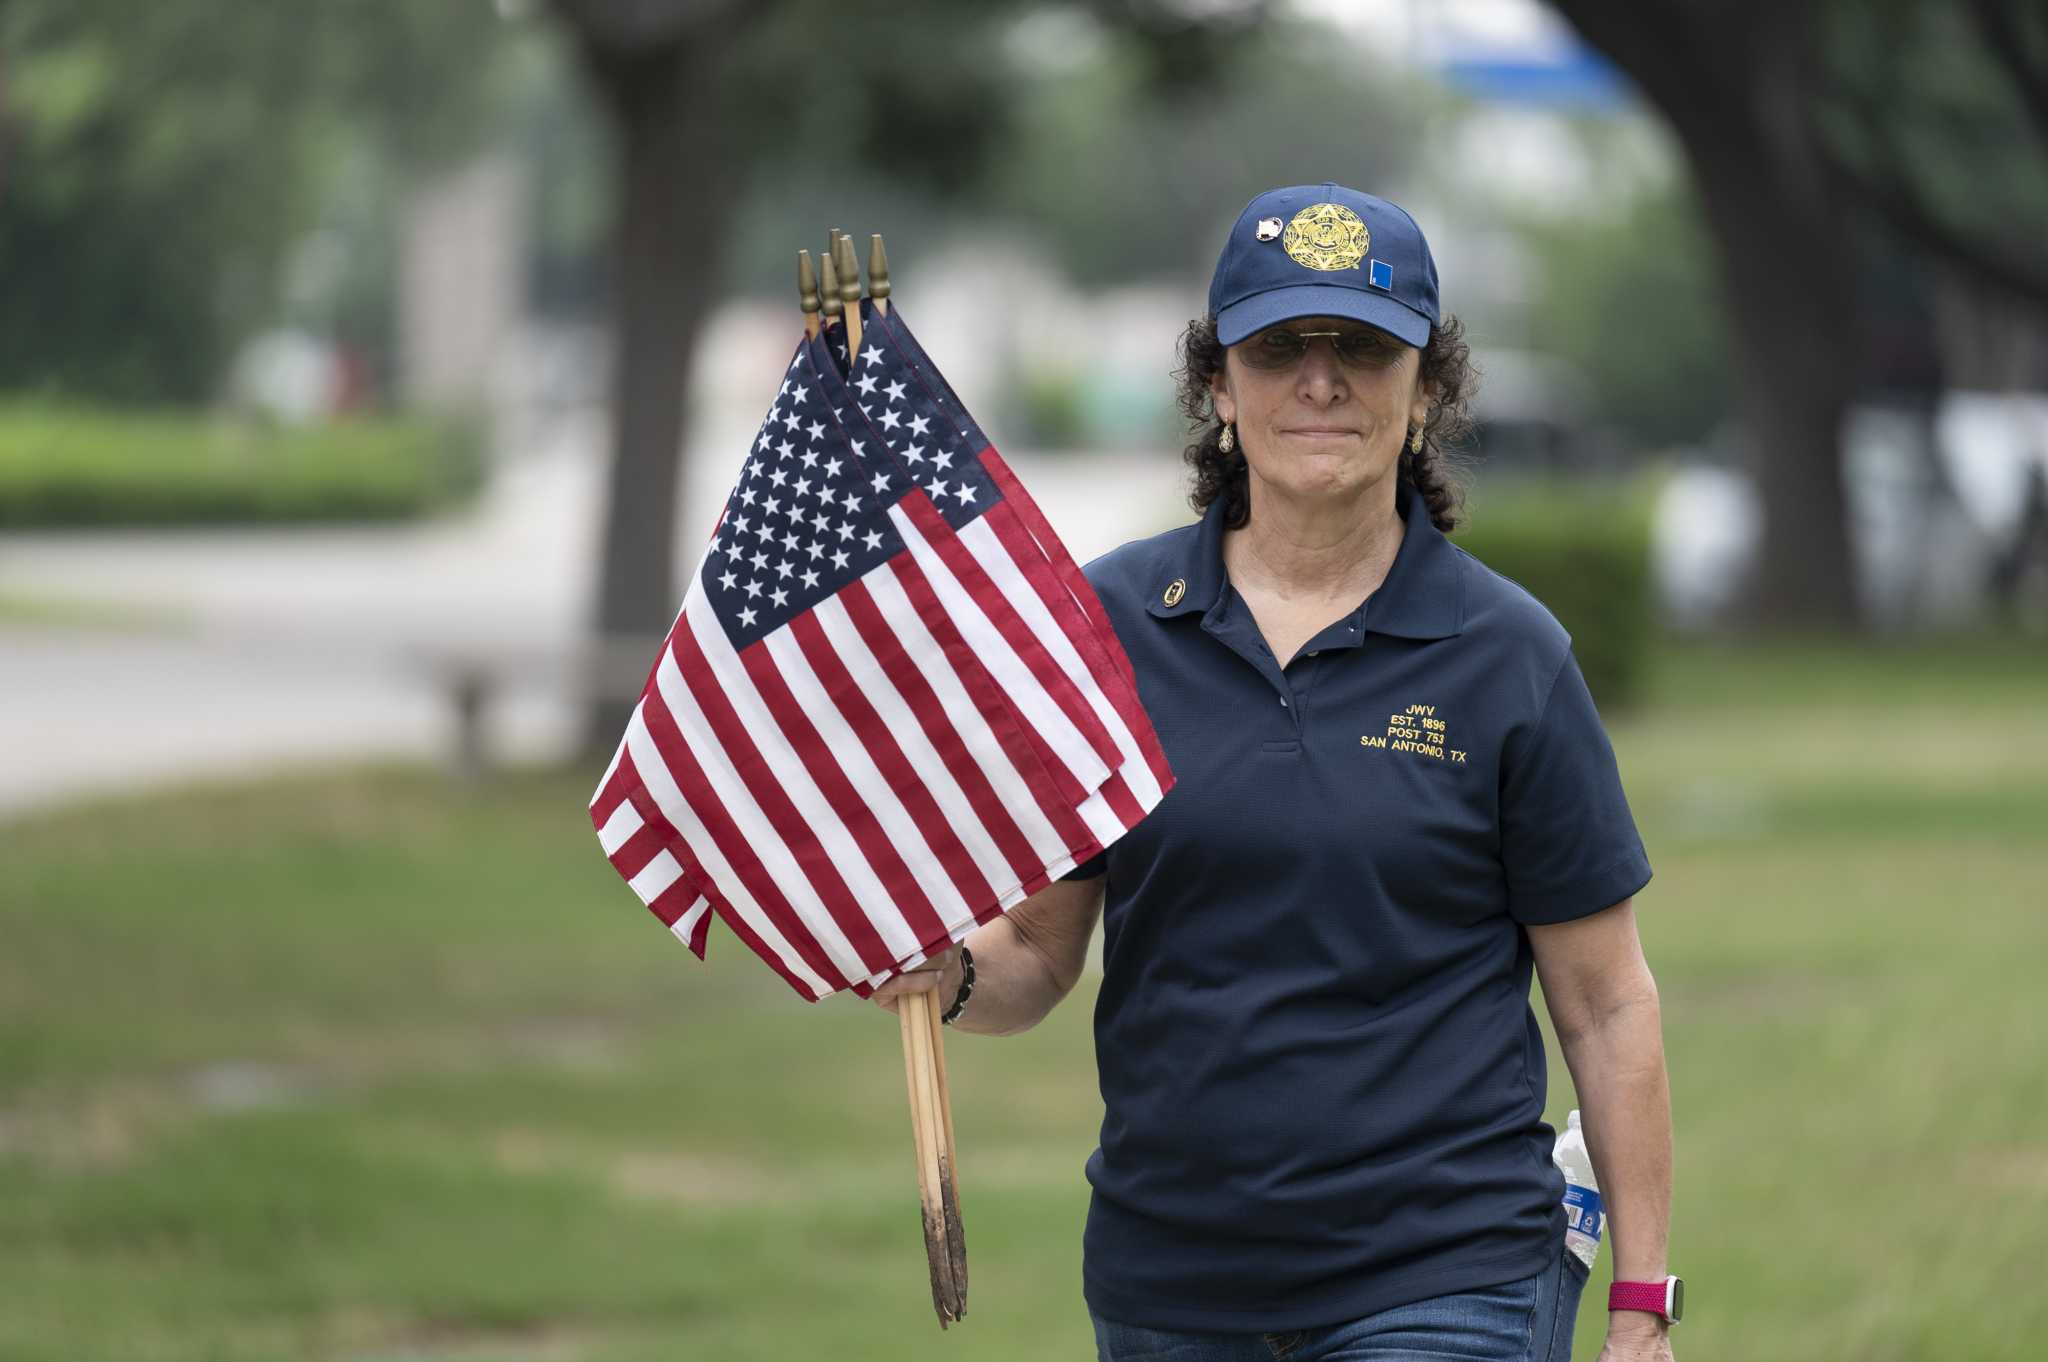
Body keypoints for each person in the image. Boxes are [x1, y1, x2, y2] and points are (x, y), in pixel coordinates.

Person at [872, 183, 1677, 1362]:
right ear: (1216, 385)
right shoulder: (1103, 625)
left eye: (1360, 347)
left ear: (1427, 390)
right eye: (1277, 347)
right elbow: (1039, 957)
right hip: (1167, 1284)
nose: (1319, 381)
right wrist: (938, 971)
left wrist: (1640, 1307)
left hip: (1442, 1276)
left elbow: (1606, 1005)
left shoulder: (1509, 657)